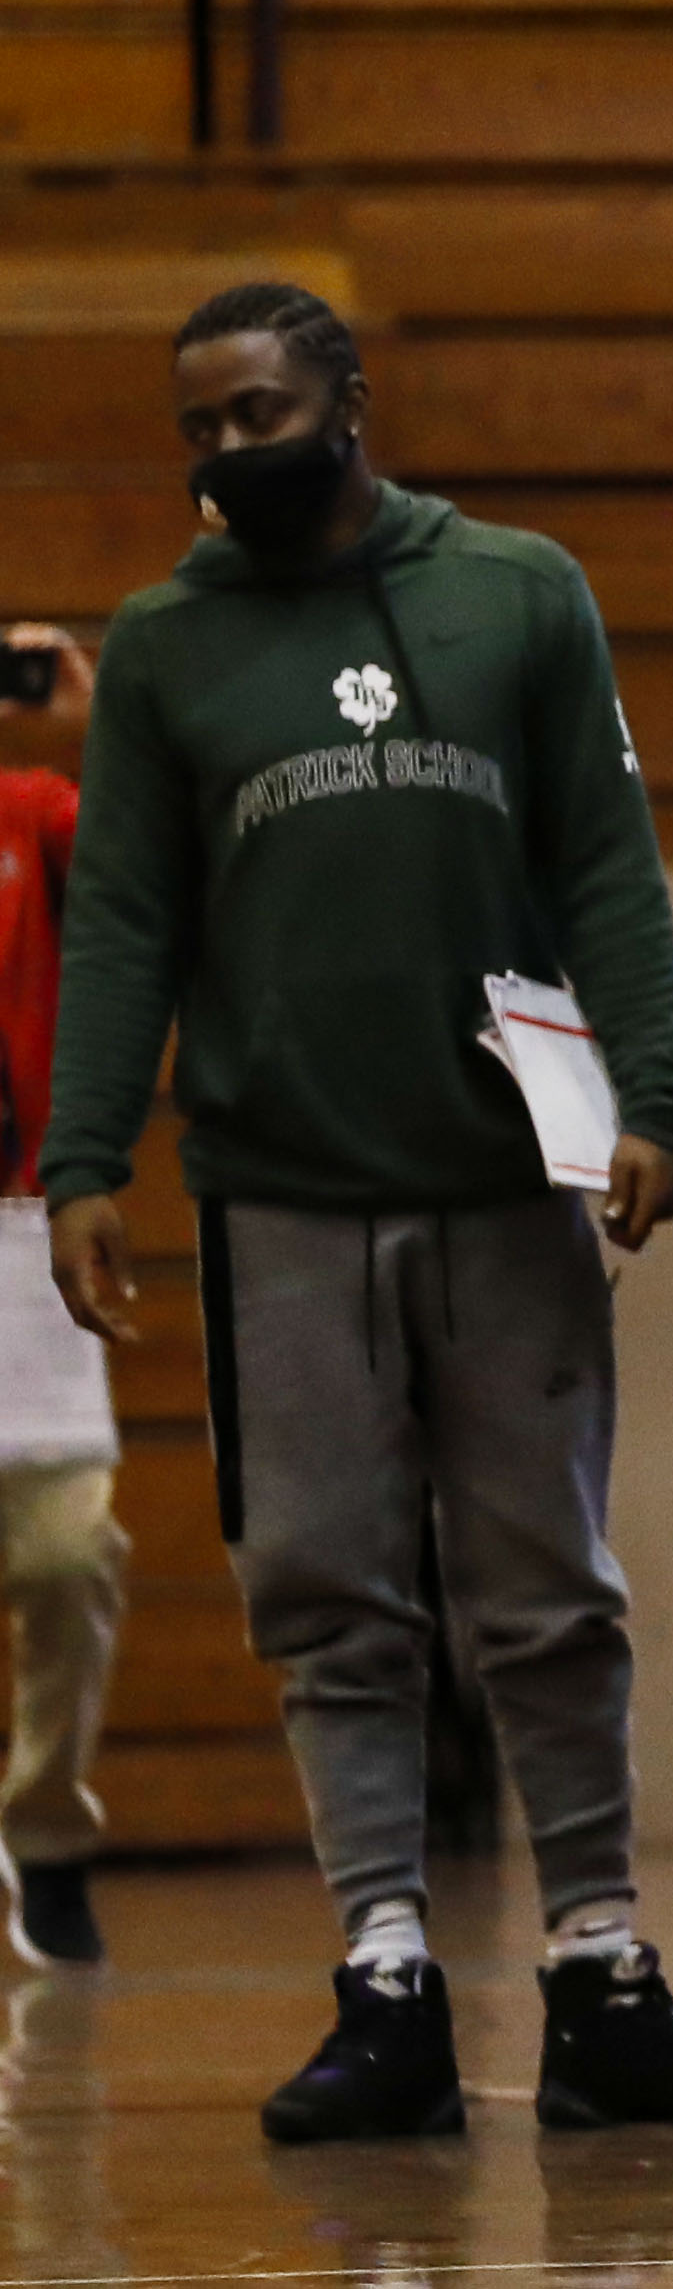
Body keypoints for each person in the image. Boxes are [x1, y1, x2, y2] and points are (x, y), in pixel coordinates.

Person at [39, 283, 673, 2143]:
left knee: (549, 1595)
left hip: (500, 1178)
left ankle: (603, 1970)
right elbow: (127, 919)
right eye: (201, 426)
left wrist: (663, 1096)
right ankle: (382, 1972)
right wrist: (77, 1162)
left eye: (263, 409)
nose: (232, 449)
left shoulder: (520, 593)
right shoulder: (162, 651)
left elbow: (605, 863)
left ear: (352, 399)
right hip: (279, 1196)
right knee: (329, 1600)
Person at [2, 626, 121, 1970]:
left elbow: (146, 872)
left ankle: (46, 1826)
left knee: (65, 1553)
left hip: (18, 1220)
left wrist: (87, 722)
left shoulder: (27, 815)